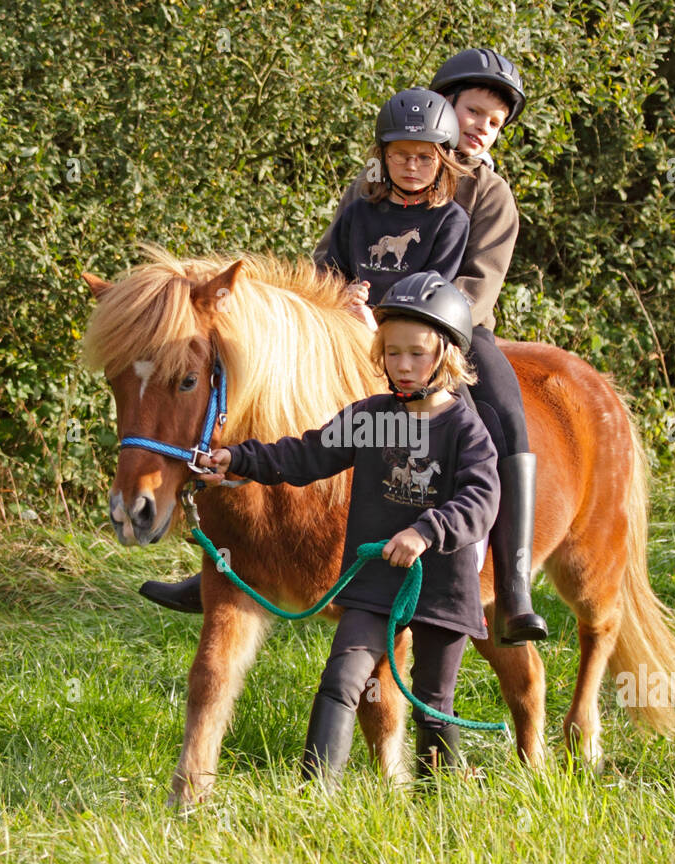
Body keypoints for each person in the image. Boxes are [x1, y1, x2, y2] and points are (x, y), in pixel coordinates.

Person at [144, 49, 547, 646]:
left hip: (452, 335)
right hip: (353, 326)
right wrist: (335, 308)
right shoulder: (372, 185)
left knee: (507, 414)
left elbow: (478, 287)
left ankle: (512, 583)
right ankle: (225, 561)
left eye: (494, 121)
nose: (481, 127)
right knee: (259, 400)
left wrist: (410, 328)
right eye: (472, 111)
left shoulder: (490, 197)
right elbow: (329, 261)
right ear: (443, 106)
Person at [197, 273, 499, 784]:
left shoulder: (465, 429)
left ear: (445, 355)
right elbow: (306, 453)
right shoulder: (370, 417)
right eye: (393, 353)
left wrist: (427, 531)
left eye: (417, 354)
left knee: (432, 701)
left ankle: (439, 806)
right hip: (375, 583)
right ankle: (316, 794)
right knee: (340, 678)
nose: (402, 366)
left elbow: (481, 498)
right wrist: (239, 459)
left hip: (441, 589)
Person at [319, 87, 471, 327]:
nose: (412, 166)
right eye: (400, 155)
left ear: (443, 160)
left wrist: (381, 315)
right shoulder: (358, 212)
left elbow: (435, 288)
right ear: (383, 157)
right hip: (351, 322)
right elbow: (329, 272)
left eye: (424, 158)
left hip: (413, 328)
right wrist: (345, 293)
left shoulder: (451, 220)